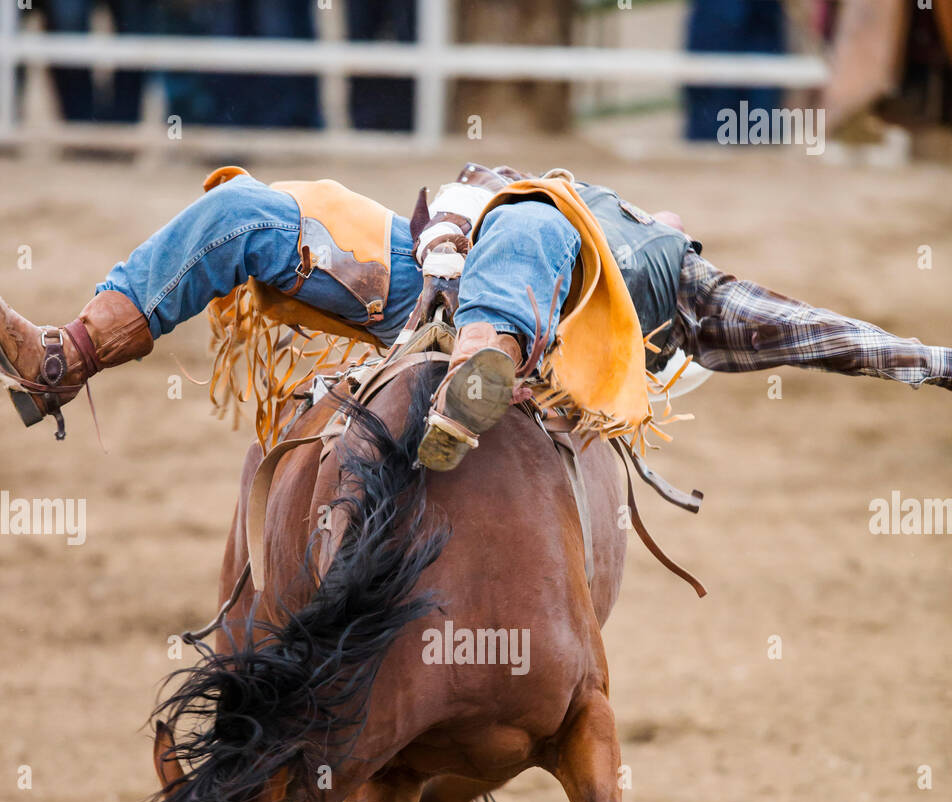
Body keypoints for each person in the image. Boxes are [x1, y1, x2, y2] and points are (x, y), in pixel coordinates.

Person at [0, 163, 948, 471]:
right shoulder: (533, 192)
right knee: (242, 210)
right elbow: (449, 215)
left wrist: (932, 360)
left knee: (531, 225)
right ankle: (63, 355)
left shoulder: (681, 280)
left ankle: (477, 379)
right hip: (427, 287)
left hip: (552, 325)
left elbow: (819, 331)